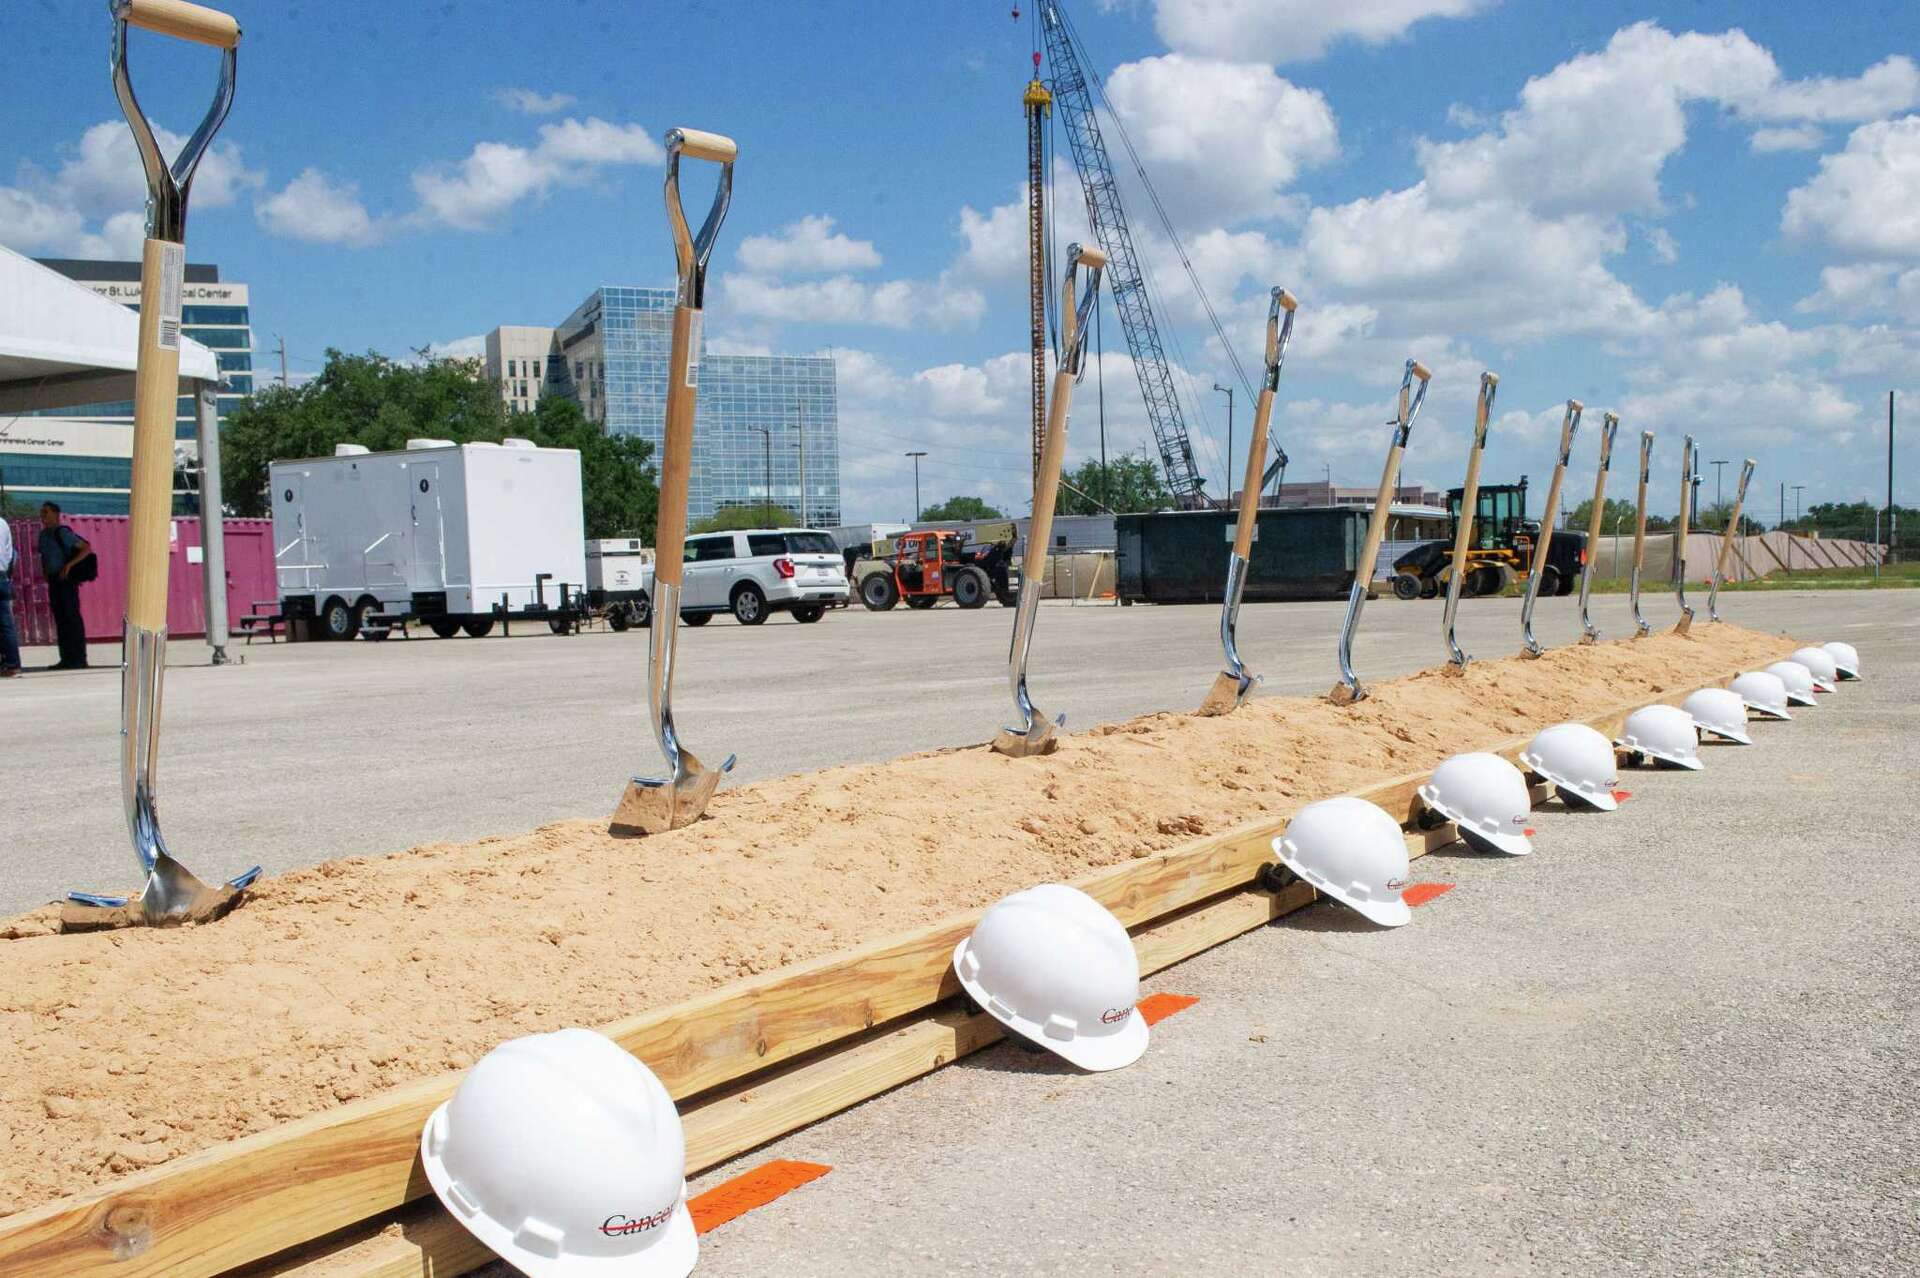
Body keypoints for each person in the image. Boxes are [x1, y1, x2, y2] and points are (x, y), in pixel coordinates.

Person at [38, 502, 94, 670]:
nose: (43, 516)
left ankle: (79, 658)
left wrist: (69, 565)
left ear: (56, 514)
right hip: (54, 580)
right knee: (61, 620)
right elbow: (43, 556)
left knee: (72, 618)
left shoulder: (62, 532)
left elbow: (86, 548)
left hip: (66, 580)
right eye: (42, 513)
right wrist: (45, 573)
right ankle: (66, 658)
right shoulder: (43, 535)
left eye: (46, 512)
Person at [0, 516, 21, 677]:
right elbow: (11, 553)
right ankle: (12, 663)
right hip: (2, 576)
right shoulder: (3, 523)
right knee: (6, 624)